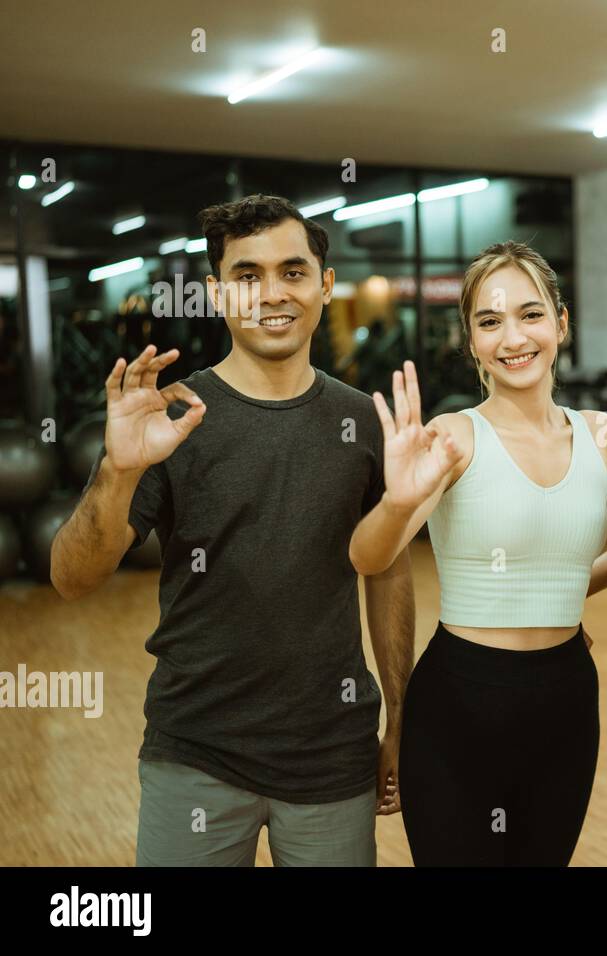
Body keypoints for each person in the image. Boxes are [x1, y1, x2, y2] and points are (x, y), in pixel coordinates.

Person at [50, 195, 412, 866]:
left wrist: (400, 712)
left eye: (293, 271)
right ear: (217, 293)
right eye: (248, 275)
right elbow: (71, 580)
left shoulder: (362, 420)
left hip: (331, 756)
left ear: (326, 285)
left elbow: (387, 569)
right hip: (196, 753)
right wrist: (120, 472)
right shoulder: (172, 416)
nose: (272, 293)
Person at [349, 241, 607, 866]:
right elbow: (370, 558)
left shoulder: (606, 438)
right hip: (459, 704)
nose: (514, 338)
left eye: (531, 314)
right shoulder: (453, 436)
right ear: (472, 341)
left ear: (561, 323)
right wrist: (398, 505)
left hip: (565, 701)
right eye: (490, 321)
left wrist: (566, 587)